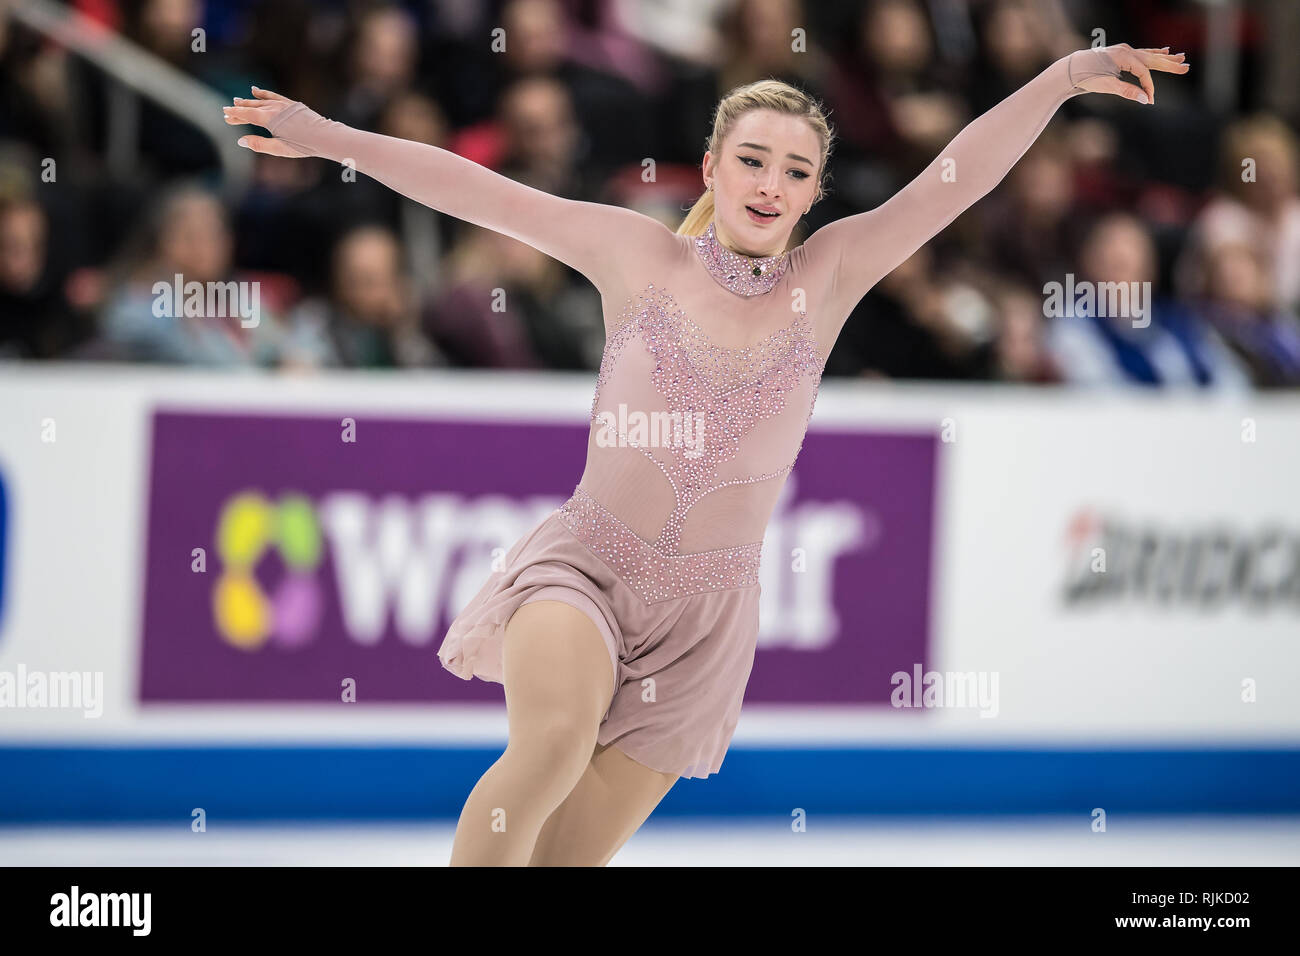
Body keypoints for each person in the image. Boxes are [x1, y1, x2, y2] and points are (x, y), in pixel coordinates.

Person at [223, 43, 1187, 866]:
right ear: (714, 167)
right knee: (551, 742)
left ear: (814, 191)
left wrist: (1064, 75)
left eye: (795, 171)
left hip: (703, 629)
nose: (771, 185)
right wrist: (331, 139)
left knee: (566, 857)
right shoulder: (638, 255)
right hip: (585, 571)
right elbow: (475, 190)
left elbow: (956, 177)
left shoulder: (833, 275)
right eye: (753, 161)